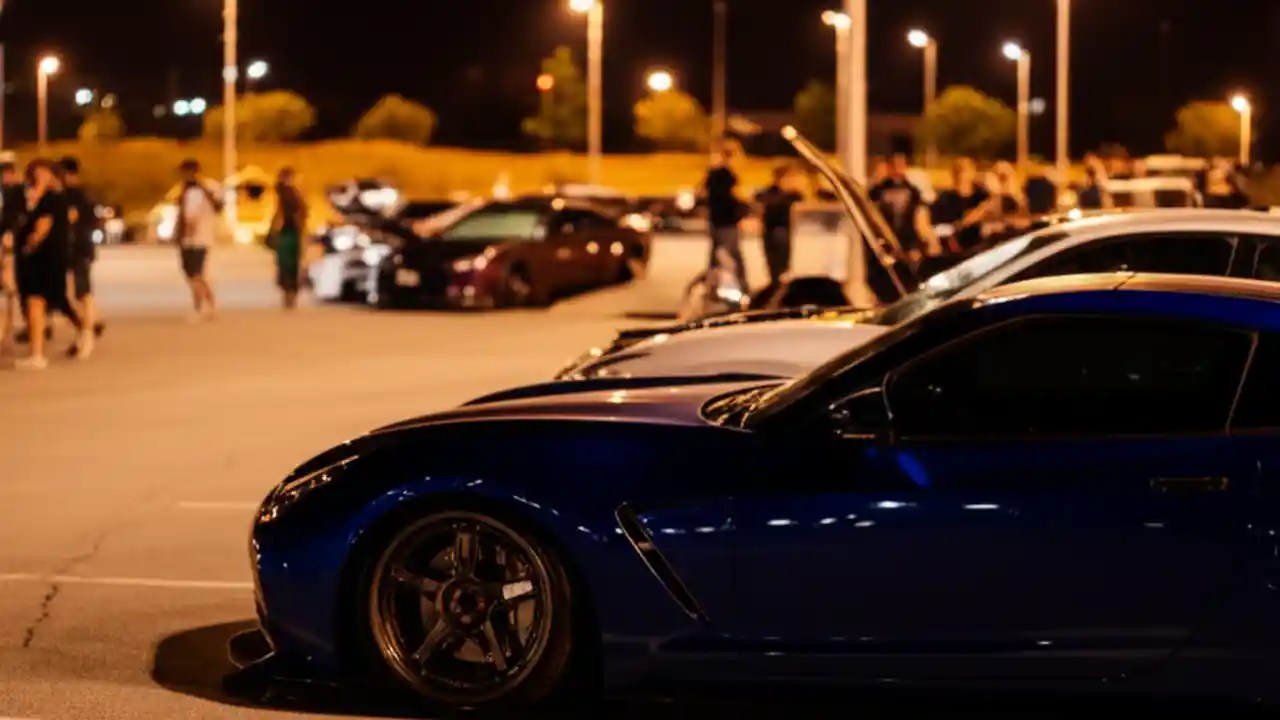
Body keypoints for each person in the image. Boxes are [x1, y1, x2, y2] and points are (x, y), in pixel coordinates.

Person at [13, 160, 89, 369]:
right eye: (35, 175)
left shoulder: (53, 198)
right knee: (56, 300)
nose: (39, 179)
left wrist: (31, 243)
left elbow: (43, 225)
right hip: (42, 257)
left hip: (45, 256)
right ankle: (85, 330)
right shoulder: (37, 197)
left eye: (43, 174)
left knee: (36, 301)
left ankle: (37, 354)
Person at [59, 157, 102, 358]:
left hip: (77, 249)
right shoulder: (86, 195)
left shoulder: (74, 196)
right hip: (80, 249)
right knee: (78, 295)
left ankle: (87, 335)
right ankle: (84, 333)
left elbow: (71, 221)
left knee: (81, 295)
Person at [174, 159, 222, 321]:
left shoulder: (195, 192)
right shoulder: (206, 188)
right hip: (202, 238)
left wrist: (185, 235)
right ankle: (210, 305)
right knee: (197, 274)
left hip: (194, 239)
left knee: (195, 275)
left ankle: (201, 307)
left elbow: (190, 218)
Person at [869, 153, 938, 265]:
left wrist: (926, 238)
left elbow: (921, 215)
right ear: (889, 167)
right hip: (885, 241)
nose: (897, 169)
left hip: (909, 242)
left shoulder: (912, 190)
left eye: (900, 165)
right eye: (894, 165)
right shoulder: (879, 190)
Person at [702, 144, 748, 289]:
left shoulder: (712, 174)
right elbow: (736, 197)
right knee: (733, 254)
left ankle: (712, 284)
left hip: (715, 219)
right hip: (728, 221)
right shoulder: (728, 176)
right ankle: (742, 286)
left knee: (716, 254)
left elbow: (704, 194)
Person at [754, 163, 804, 286]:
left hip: (784, 233)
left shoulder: (793, 195)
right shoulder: (773, 194)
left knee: (782, 268)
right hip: (775, 233)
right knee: (776, 267)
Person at [930, 157, 992, 254]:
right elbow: (938, 223)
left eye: (965, 171)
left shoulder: (982, 195)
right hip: (954, 243)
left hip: (980, 241)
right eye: (958, 171)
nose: (962, 175)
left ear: (973, 173)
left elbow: (990, 213)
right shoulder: (945, 197)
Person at [271, 167, 308, 309]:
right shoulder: (290, 192)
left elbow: (295, 212)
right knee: (289, 264)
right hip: (290, 232)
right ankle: (290, 296)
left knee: (287, 264)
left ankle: (289, 297)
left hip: (289, 232)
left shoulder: (288, 192)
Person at [0, 159, 23, 356]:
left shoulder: (19, 193)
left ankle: (7, 333)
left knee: (10, 289)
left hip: (11, 247)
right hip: (6, 245)